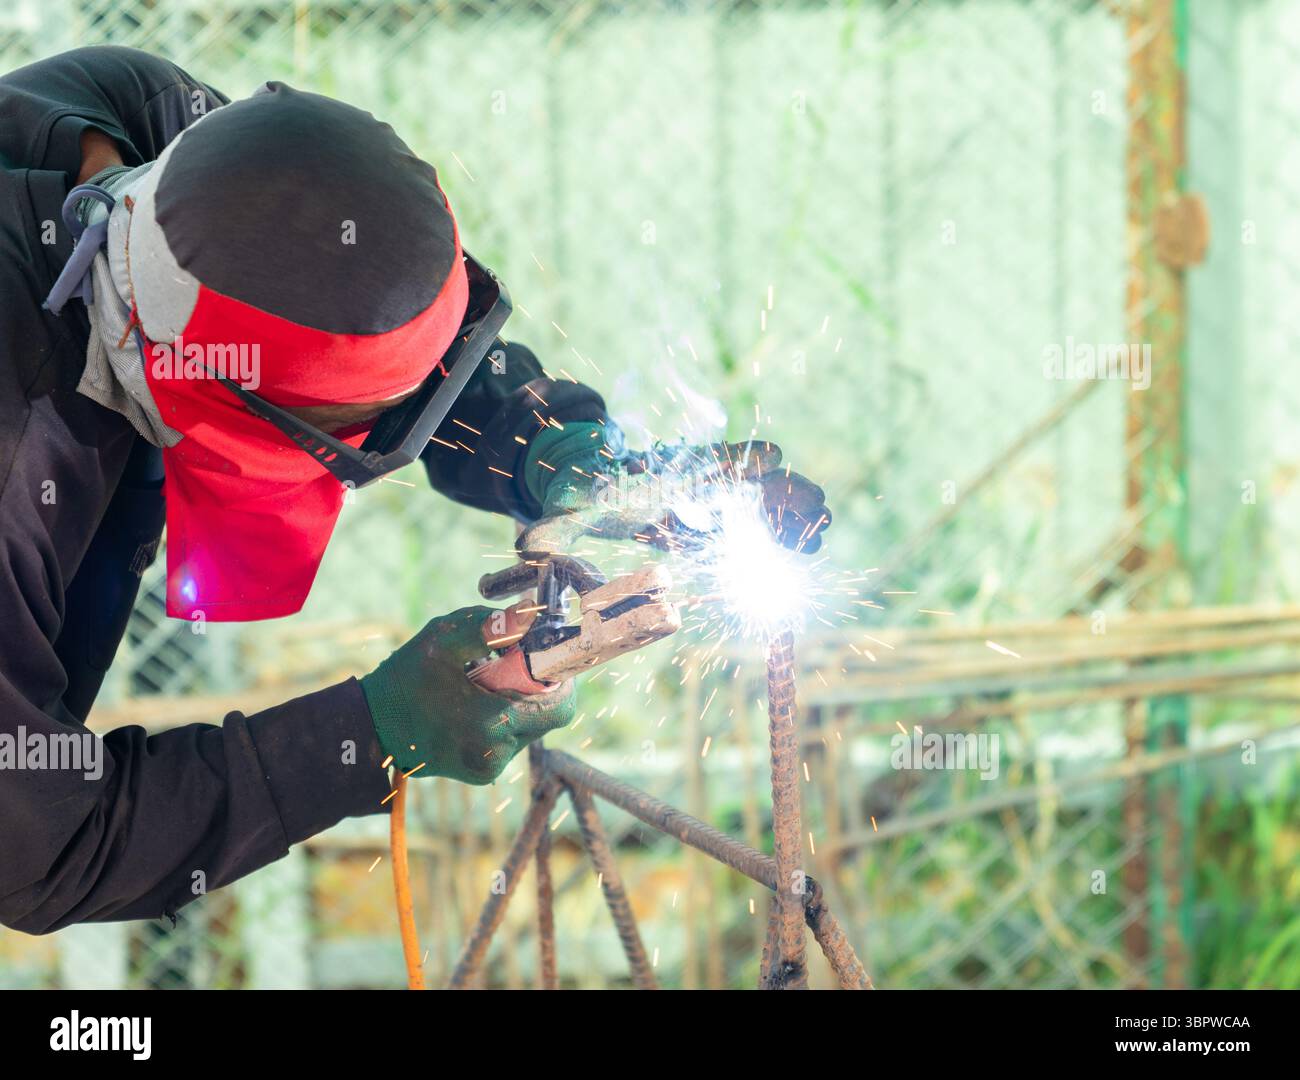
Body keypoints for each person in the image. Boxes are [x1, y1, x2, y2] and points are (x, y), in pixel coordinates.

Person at [0, 46, 830, 934]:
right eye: (363, 428)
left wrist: (561, 453)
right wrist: (376, 729)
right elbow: (41, 852)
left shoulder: (174, 143)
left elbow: (352, 306)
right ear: (221, 389)